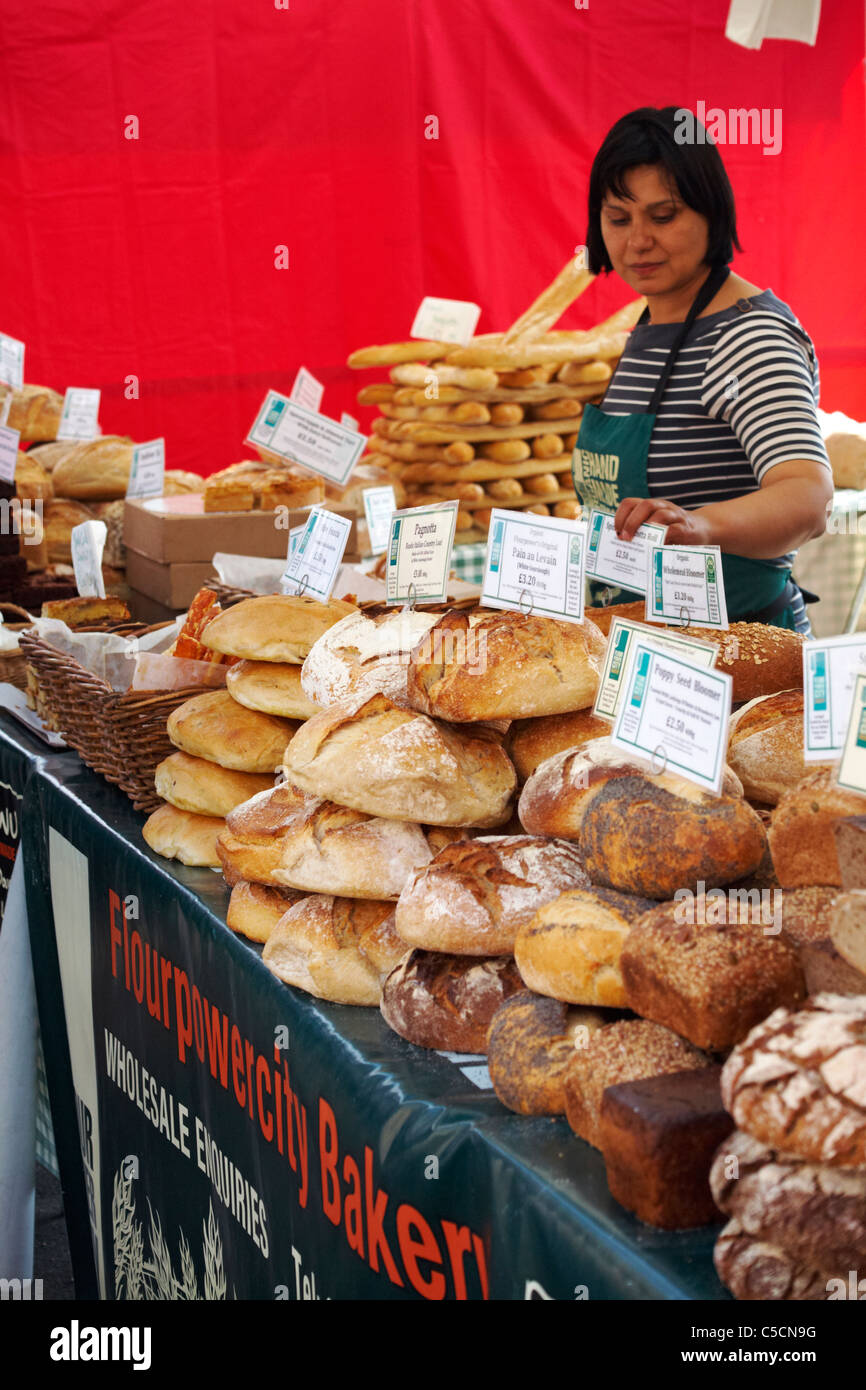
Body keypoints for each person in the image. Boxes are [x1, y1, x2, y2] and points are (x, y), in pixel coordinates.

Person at [574, 105, 833, 633]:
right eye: (619, 219)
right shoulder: (648, 327)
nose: (638, 240)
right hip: (649, 649)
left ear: (711, 213)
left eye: (663, 216)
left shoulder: (748, 335)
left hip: (736, 654)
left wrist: (697, 526)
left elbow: (808, 497)